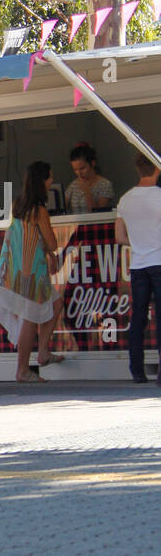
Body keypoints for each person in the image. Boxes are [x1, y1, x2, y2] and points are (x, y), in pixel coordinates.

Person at [0, 161, 62, 382]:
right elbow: (51, 243)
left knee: (55, 303)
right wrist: (52, 253)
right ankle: (22, 369)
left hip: (16, 269)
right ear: (42, 181)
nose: (51, 182)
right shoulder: (39, 210)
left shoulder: (19, 204)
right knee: (31, 316)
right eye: (49, 178)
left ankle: (42, 353)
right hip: (32, 273)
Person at [115, 151, 161, 385]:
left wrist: (141, 241)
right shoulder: (159, 197)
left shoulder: (125, 199)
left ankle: (137, 371)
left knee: (138, 318)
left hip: (138, 264)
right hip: (159, 262)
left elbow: (120, 236)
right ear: (157, 169)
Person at [67, 143, 114, 214]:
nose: (79, 173)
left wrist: (87, 191)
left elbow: (99, 212)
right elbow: (63, 205)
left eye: (82, 168)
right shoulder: (74, 184)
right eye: (75, 170)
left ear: (92, 163)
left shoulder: (105, 184)